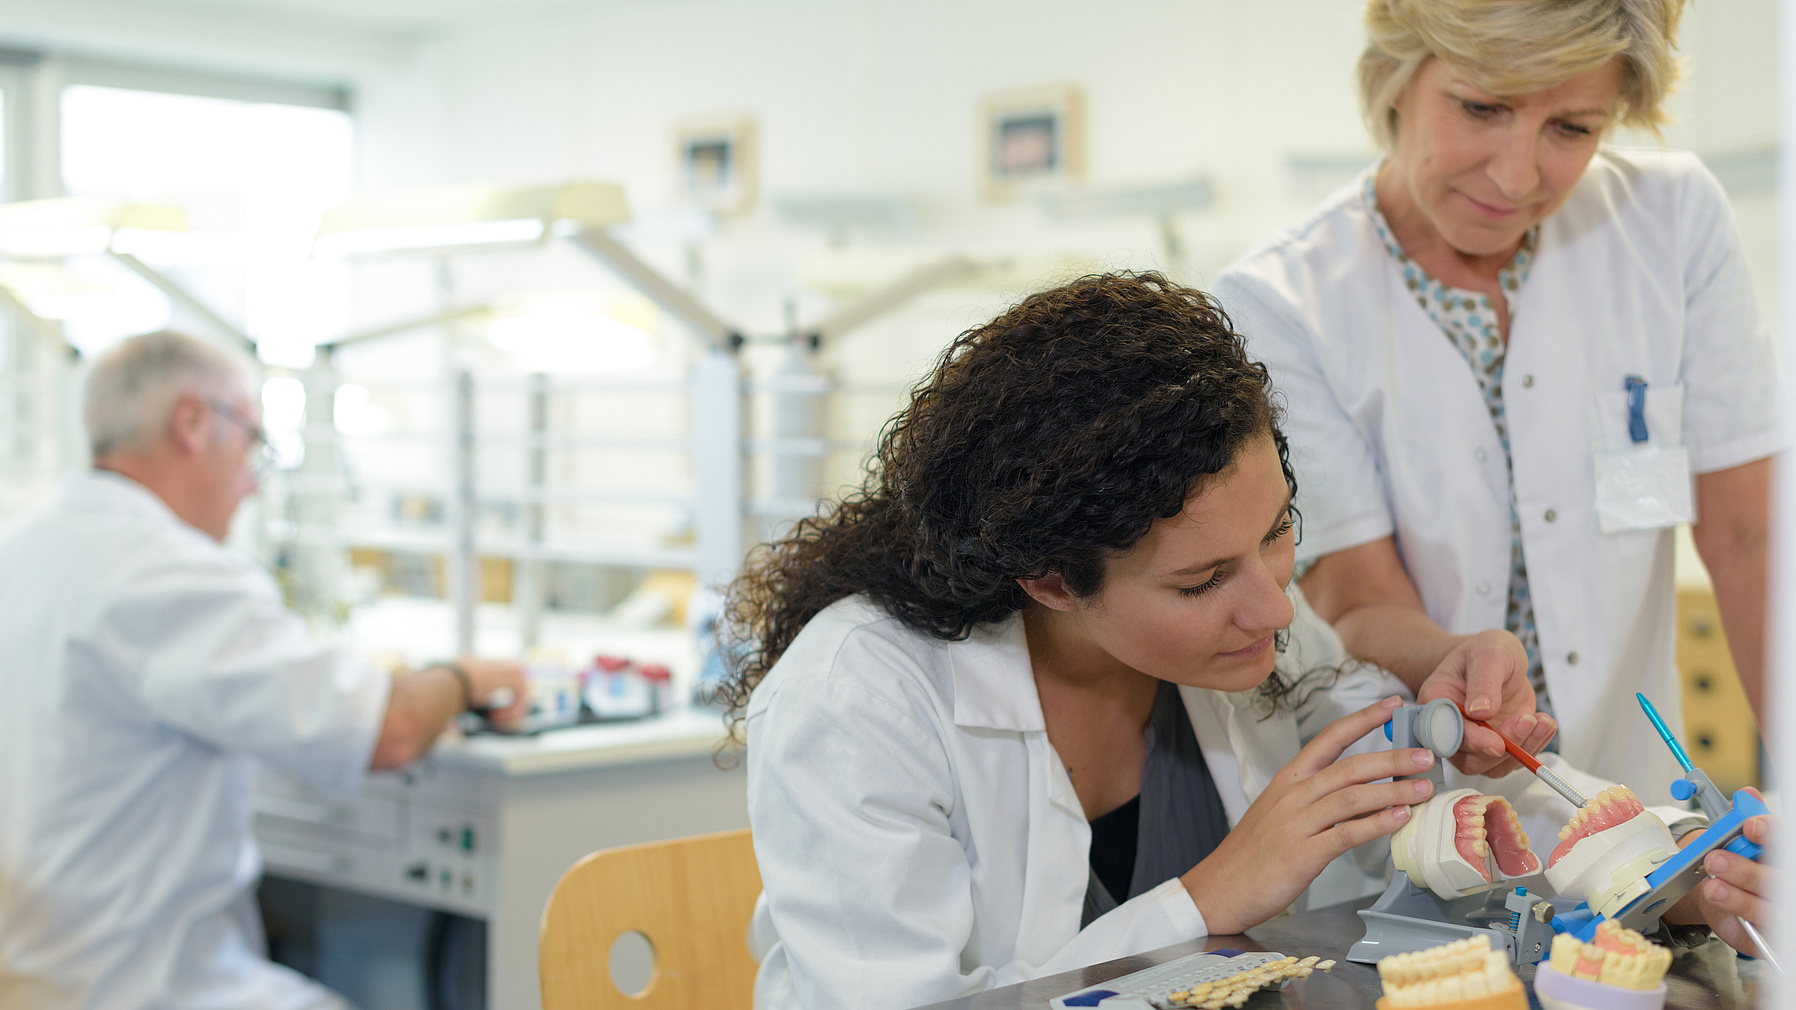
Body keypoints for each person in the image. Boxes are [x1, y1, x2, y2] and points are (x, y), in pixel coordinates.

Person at [723, 274, 1768, 1010]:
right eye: (1200, 581)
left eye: (1277, 532)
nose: (1273, 608)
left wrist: (1653, 869)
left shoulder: (1255, 629)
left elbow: (1411, 820)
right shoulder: (855, 703)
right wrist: (1210, 894)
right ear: (1048, 579)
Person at [1214, 0, 1777, 800]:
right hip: (1424, 805)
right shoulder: (1281, 302)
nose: (1517, 177)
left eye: (1572, 128)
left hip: (1641, 800)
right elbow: (1356, 592)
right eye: (1482, 108)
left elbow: (1753, 536)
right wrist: (1456, 663)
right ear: (1398, 74)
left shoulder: (1672, 222)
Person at [0, 331, 527, 1010]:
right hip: (141, 990)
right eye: (252, 439)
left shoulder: (20, 548)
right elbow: (389, 730)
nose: (252, 482)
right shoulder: (171, 571)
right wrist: (469, 677)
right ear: (193, 423)